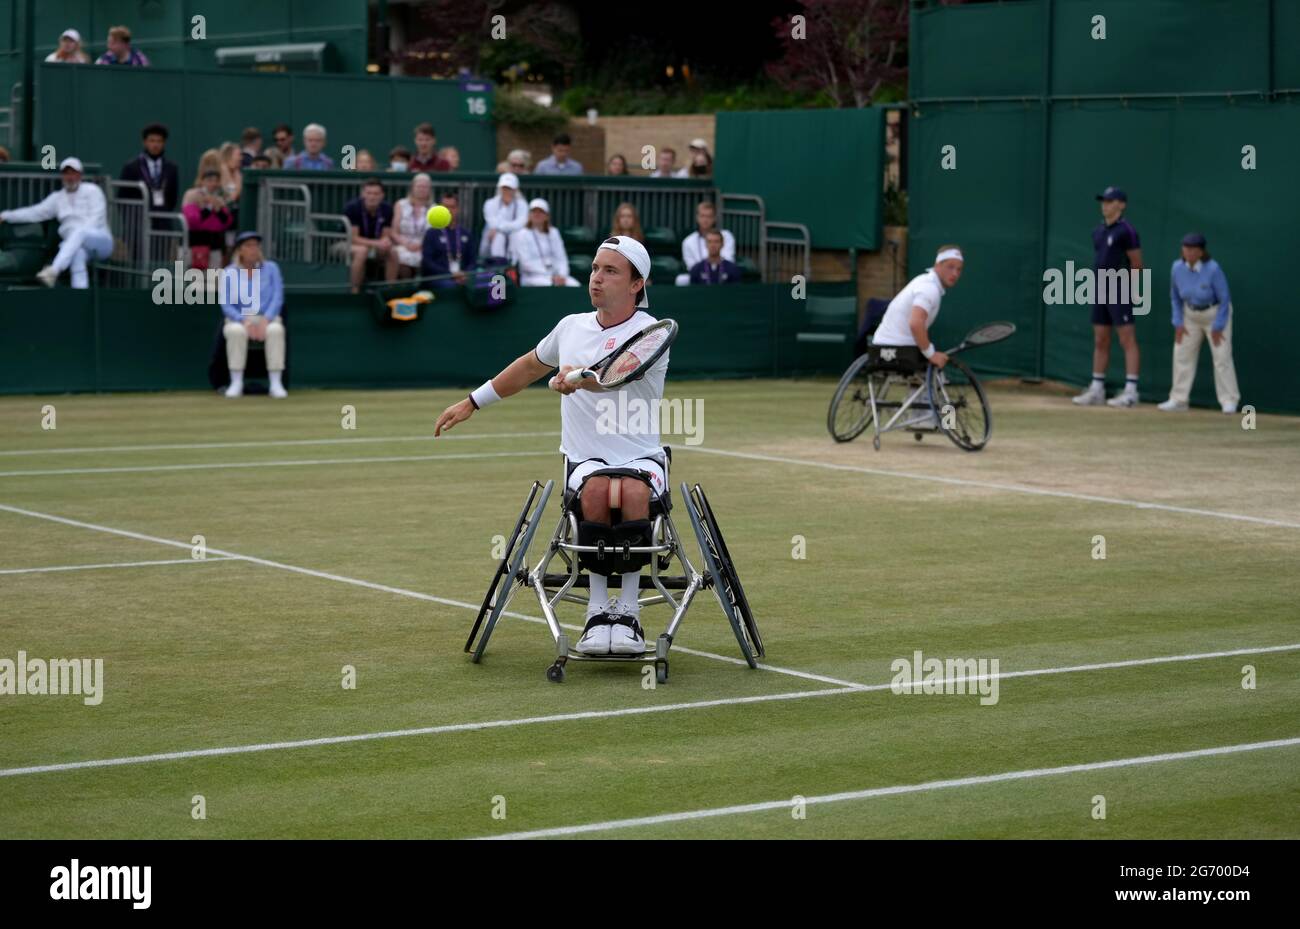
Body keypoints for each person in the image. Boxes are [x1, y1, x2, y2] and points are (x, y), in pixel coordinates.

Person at [434, 236, 667, 656]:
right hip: (585, 459)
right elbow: (527, 367)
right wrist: (473, 401)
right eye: (595, 268)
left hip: (640, 458)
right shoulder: (570, 326)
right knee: (598, 491)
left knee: (629, 491)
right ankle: (599, 613)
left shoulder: (650, 333)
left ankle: (628, 613)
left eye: (610, 271)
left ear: (637, 284)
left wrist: (574, 378)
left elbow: (613, 377)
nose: (597, 278)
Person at [1073, 186, 1144, 408]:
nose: (1105, 205)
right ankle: (1097, 389)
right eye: (1103, 201)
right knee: (1100, 339)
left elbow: (1137, 263)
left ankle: (1131, 391)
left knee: (1126, 339)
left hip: (1120, 289)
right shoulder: (1098, 232)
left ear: (1121, 205)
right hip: (1100, 288)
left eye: (1110, 201)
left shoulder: (1127, 231)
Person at [0, 156, 112, 289]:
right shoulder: (57, 198)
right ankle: (80, 296)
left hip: (100, 241)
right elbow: (34, 212)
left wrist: (71, 242)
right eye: (66, 173)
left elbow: (96, 219)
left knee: (80, 233)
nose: (70, 177)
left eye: (73, 173)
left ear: (80, 175)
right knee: (77, 256)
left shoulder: (93, 191)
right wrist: (5, 215)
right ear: (62, 176)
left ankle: (53, 270)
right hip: (74, 246)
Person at [1158, 233, 1240, 414]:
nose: (1188, 252)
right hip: (1189, 316)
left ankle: (1229, 400)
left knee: (1222, 357)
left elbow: (1225, 299)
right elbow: (1175, 298)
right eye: (1186, 248)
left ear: (1201, 252)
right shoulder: (1176, 268)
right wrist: (1178, 322)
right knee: (1181, 354)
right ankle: (1179, 399)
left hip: (1215, 314)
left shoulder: (1213, 269)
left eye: (1193, 249)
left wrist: (1218, 326)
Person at [870, 245, 966, 393]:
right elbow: (916, 323)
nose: (955, 273)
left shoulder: (922, 281)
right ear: (938, 265)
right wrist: (931, 354)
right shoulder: (930, 289)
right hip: (902, 352)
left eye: (959, 269)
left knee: (925, 374)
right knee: (940, 381)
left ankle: (920, 412)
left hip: (879, 348)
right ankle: (948, 416)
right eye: (950, 267)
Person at [220, 231, 286, 399]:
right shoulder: (229, 272)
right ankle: (236, 382)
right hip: (239, 318)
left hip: (267, 317)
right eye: (248, 246)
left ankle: (276, 383)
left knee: (276, 330)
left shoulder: (272, 268)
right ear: (240, 250)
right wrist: (244, 321)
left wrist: (266, 319)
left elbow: (277, 297)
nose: (253, 249)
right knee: (236, 331)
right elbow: (226, 304)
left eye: (256, 245)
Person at [510, 198, 579, 287]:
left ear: (547, 216)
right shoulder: (521, 234)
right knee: (550, 284)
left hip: (555, 276)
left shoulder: (554, 232)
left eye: (541, 212)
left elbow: (561, 257)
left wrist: (562, 275)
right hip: (532, 278)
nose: (537, 214)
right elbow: (525, 263)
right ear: (529, 215)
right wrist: (551, 276)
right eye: (534, 211)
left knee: (575, 285)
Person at [342, 178, 394, 293]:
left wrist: (385, 242)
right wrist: (377, 243)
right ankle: (354, 291)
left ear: (382, 195)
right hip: (344, 243)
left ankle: (391, 290)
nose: (372, 197)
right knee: (362, 251)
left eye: (376, 194)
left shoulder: (387, 209)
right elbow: (353, 238)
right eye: (368, 193)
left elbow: (385, 234)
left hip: (372, 245)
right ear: (363, 194)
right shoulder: (353, 208)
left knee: (392, 251)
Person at [119, 123, 179, 213]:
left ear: (164, 143)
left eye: (159, 141)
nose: (155, 145)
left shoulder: (171, 168)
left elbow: (173, 198)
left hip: (163, 219)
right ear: (144, 142)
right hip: (139, 219)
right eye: (152, 141)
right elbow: (123, 197)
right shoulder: (131, 167)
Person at [420, 191, 476, 289]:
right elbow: (427, 262)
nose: (449, 210)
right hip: (439, 278)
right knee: (451, 286)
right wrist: (450, 274)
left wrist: (464, 274)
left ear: (458, 209)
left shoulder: (466, 233)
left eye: (452, 207)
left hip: (463, 277)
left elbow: (472, 260)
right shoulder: (432, 233)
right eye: (445, 207)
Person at [181, 169, 233, 270]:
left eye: (216, 181)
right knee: (191, 281)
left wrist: (217, 208)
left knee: (212, 282)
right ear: (202, 182)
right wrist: (208, 207)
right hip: (194, 247)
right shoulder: (192, 196)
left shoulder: (220, 199)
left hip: (215, 247)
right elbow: (193, 222)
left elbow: (226, 222)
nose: (213, 184)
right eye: (210, 180)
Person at [676, 200, 735, 285]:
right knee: (681, 279)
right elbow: (692, 268)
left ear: (714, 218)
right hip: (699, 279)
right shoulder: (688, 241)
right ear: (697, 217)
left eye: (709, 216)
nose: (705, 220)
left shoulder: (727, 236)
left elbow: (728, 261)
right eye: (702, 216)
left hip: (723, 278)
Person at [389, 172, 434, 280]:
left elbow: (435, 235)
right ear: (412, 188)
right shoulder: (400, 204)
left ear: (429, 190)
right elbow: (393, 232)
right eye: (419, 186)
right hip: (403, 244)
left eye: (425, 187)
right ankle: (405, 289)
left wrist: (421, 245)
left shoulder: (435, 208)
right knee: (400, 259)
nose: (422, 189)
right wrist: (406, 244)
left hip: (424, 246)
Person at [479, 172, 527, 264]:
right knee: (498, 236)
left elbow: (520, 224)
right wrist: (506, 227)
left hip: (514, 237)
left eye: (509, 188)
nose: (507, 191)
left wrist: (501, 228)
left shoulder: (522, 204)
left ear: (515, 190)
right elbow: (492, 223)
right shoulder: (489, 203)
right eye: (504, 188)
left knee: (515, 235)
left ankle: (513, 265)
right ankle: (498, 266)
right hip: (492, 238)